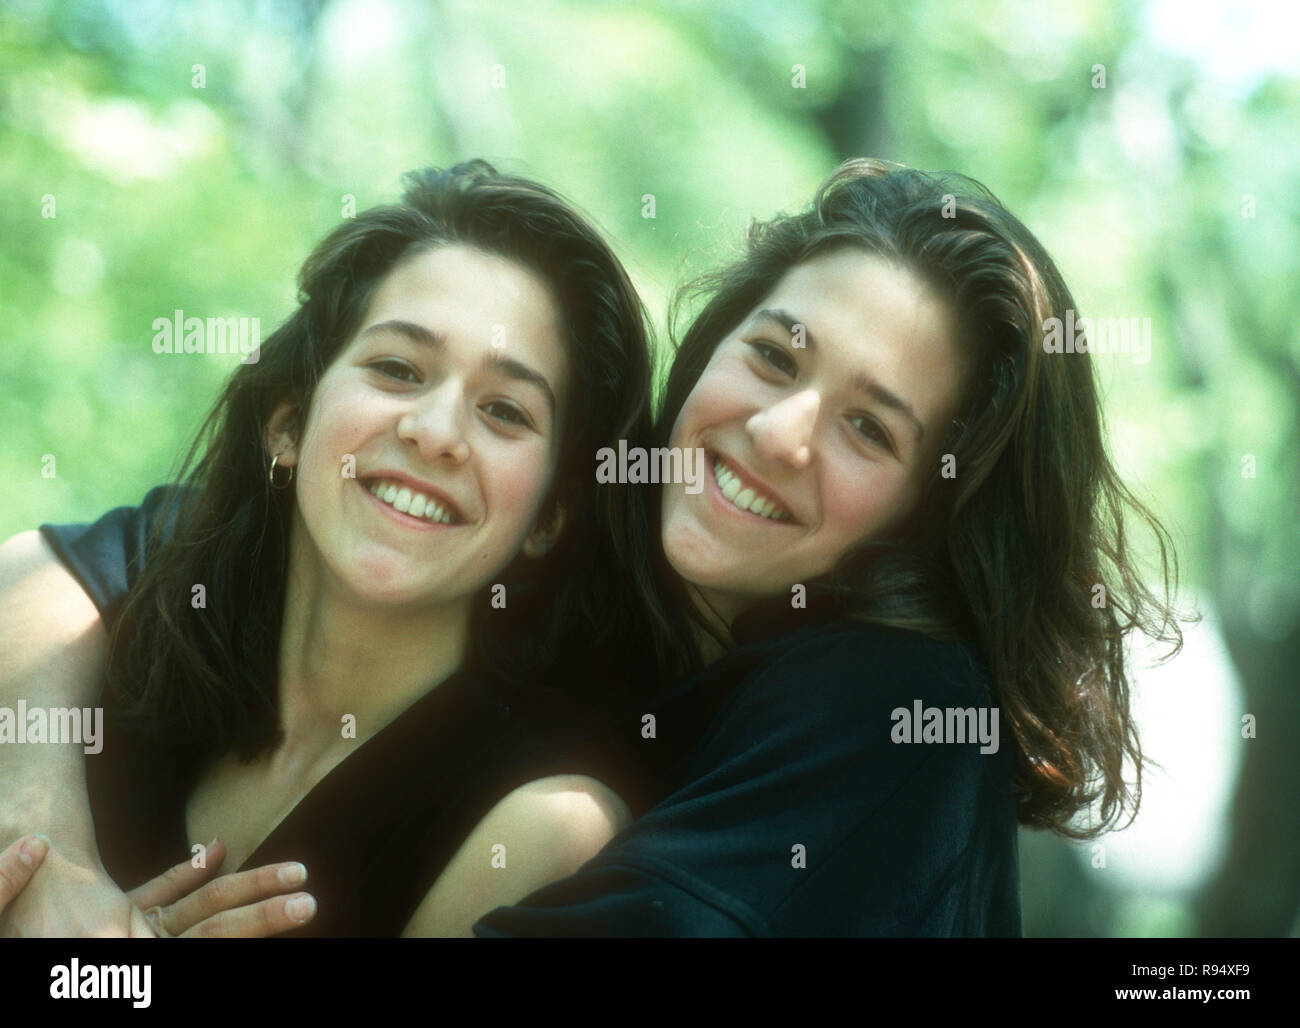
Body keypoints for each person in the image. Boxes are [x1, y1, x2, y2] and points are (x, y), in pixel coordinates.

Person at [4, 159, 1184, 936]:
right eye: (773, 355)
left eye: (868, 426)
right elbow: (62, 567)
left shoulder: (886, 716)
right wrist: (50, 865)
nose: (778, 432)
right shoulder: (576, 581)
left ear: (925, 515)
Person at [0, 159, 686, 937]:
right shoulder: (153, 607)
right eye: (397, 368)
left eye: (504, 410)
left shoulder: (543, 822)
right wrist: (43, 850)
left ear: (549, 517)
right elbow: (34, 564)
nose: (435, 432)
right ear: (288, 422)